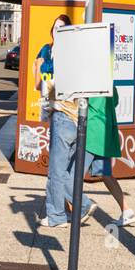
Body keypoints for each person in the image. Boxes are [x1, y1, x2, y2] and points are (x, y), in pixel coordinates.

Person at [38, 35, 95, 229]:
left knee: (55, 171)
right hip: (78, 121)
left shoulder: (65, 67)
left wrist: (41, 73)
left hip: (62, 119)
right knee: (67, 173)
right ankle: (82, 206)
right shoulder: (84, 69)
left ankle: (56, 215)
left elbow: (47, 90)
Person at [84, 85, 135, 227]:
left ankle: (79, 208)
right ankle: (126, 209)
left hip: (92, 132)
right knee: (106, 175)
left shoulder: (87, 81)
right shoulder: (109, 83)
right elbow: (115, 101)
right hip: (105, 131)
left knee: (73, 175)